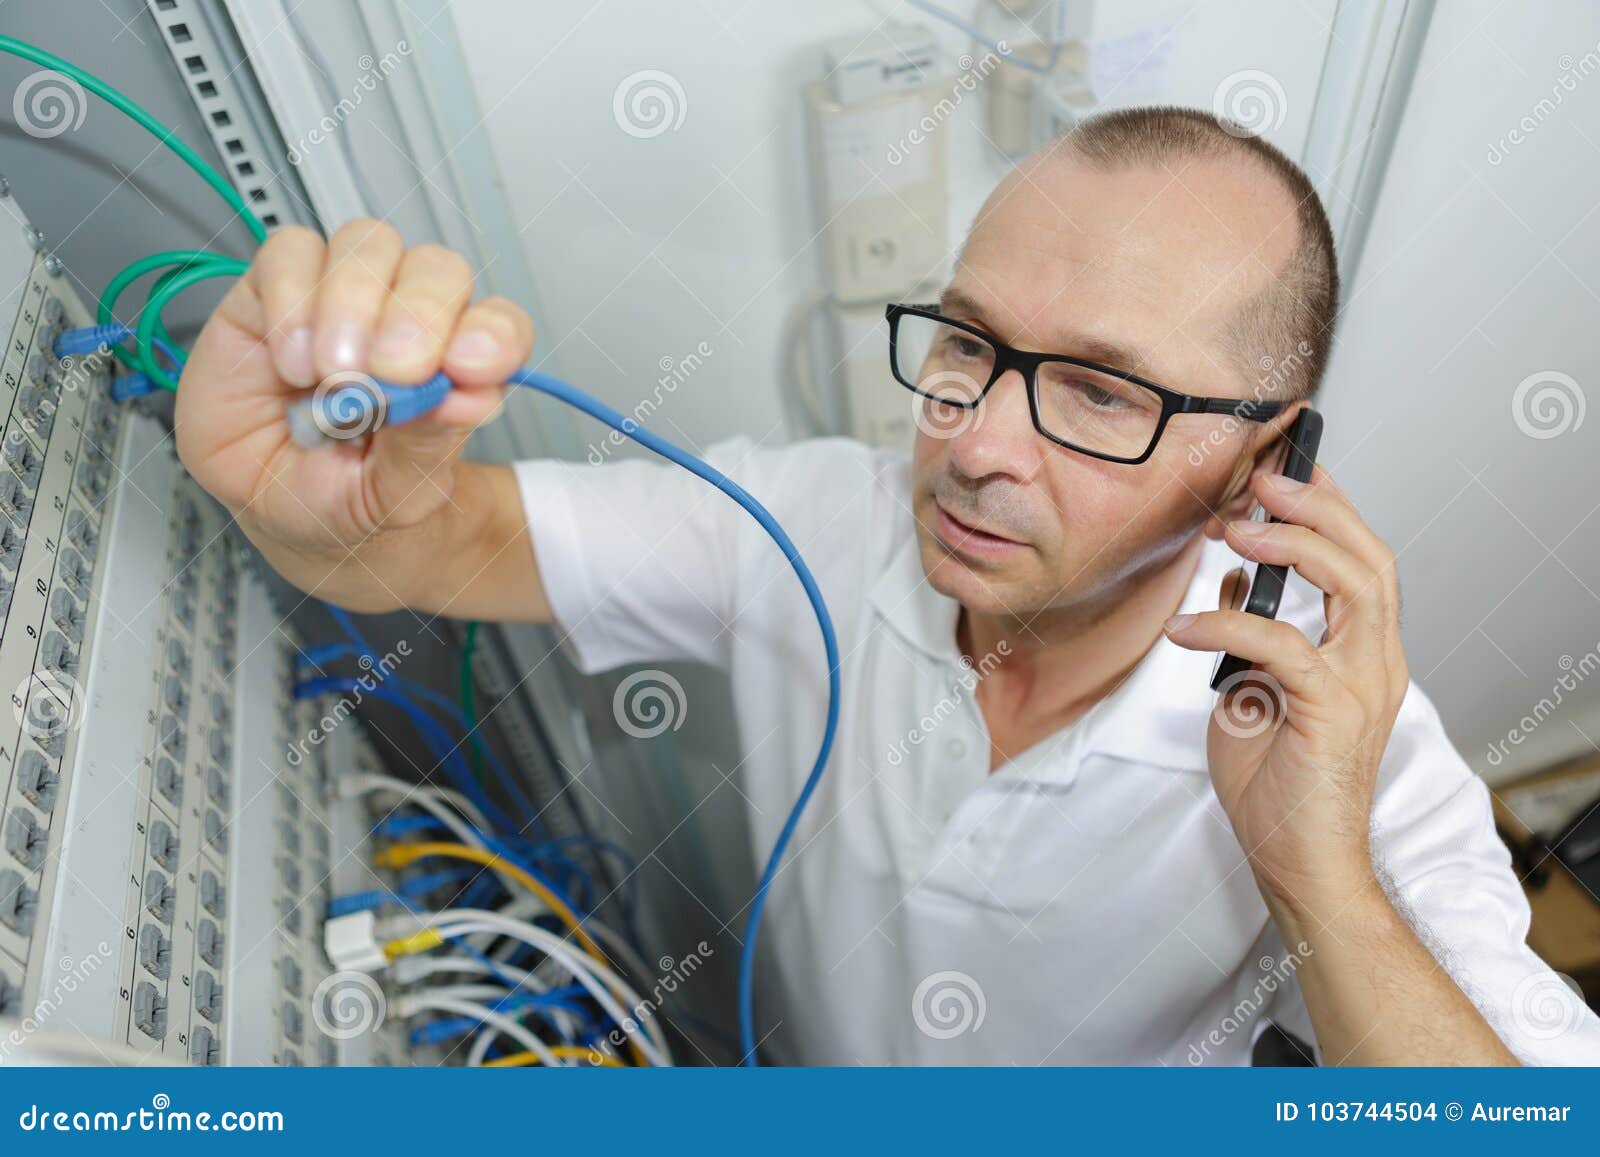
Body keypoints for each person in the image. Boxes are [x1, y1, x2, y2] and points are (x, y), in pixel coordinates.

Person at [174, 106, 1598, 1065]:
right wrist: (311, 496)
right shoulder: (812, 522)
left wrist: (1321, 880)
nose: (972, 445)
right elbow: (435, 541)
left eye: (1100, 394)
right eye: (967, 343)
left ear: (1259, 466)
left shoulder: (1336, 747)